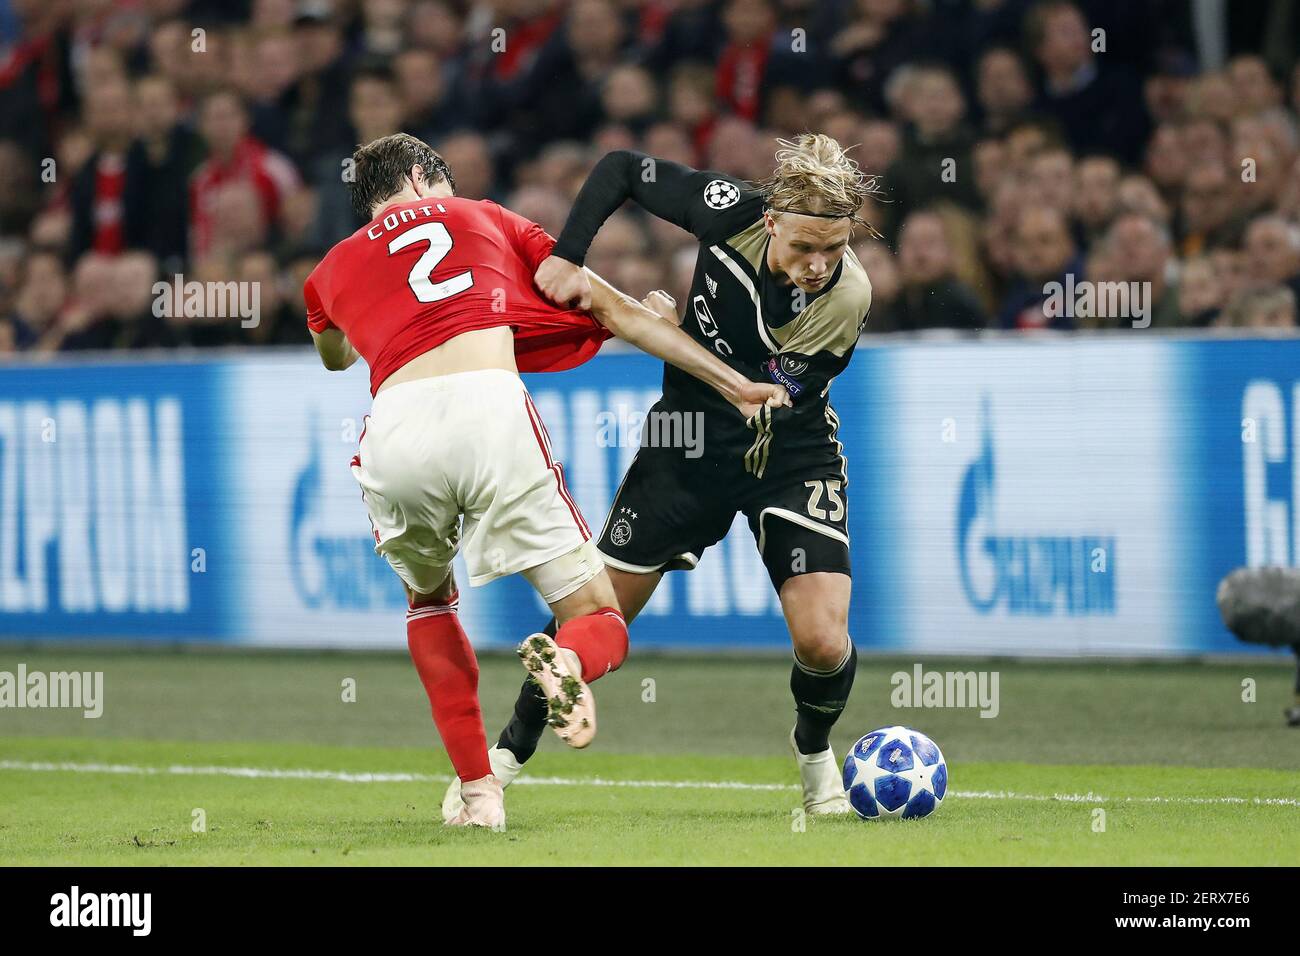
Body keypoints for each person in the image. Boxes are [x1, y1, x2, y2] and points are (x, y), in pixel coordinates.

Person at [304, 133, 787, 830]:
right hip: (488, 410)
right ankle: (563, 661)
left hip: (396, 428)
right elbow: (608, 307)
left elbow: (332, 354)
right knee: (598, 618)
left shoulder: (331, 266)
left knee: (430, 604)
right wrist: (735, 383)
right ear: (421, 175)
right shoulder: (485, 218)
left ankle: (478, 794)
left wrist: (357, 312)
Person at [456, 133, 875, 818]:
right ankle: (498, 764)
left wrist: (664, 334)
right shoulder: (727, 209)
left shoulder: (847, 296)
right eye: (803, 246)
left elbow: (759, 392)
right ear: (771, 220)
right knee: (593, 616)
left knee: (823, 640)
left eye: (833, 248)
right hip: (685, 451)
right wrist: (569, 255)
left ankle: (815, 759)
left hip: (789, 456)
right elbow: (623, 167)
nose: (817, 265)